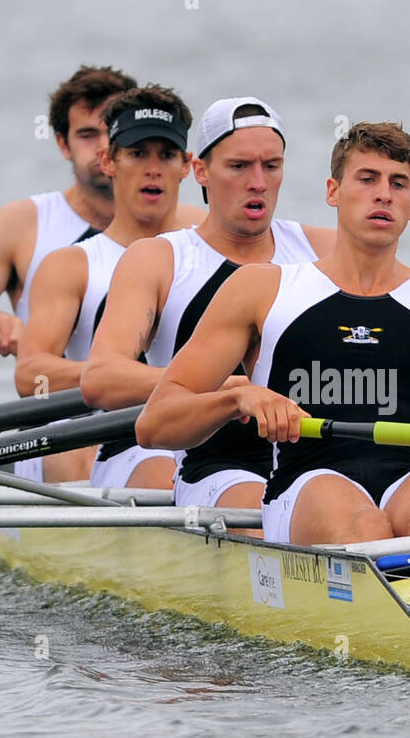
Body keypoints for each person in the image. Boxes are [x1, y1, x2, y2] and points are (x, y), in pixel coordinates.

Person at [134, 122, 410, 545]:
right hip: (306, 484)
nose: (383, 194)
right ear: (333, 192)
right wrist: (236, 399)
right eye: (367, 179)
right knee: (363, 527)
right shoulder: (261, 290)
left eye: (398, 184)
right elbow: (154, 426)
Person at [81, 97, 334, 505]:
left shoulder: (324, 249)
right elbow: (101, 379)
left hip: (306, 456)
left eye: (271, 166)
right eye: (238, 166)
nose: (258, 182)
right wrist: (222, 389)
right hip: (191, 459)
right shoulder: (160, 259)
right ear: (200, 170)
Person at [0, 65, 204, 364]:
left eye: (116, 135)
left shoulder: (198, 227)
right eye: (88, 134)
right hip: (64, 405)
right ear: (63, 143)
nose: (103, 144)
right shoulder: (22, 226)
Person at [11, 85, 196, 482]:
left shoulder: (210, 255)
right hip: (84, 431)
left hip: (179, 424)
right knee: (155, 465)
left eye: (166, 155)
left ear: (187, 165)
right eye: (137, 154)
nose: (153, 168)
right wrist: (114, 380)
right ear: (108, 160)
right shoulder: (73, 265)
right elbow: (30, 376)